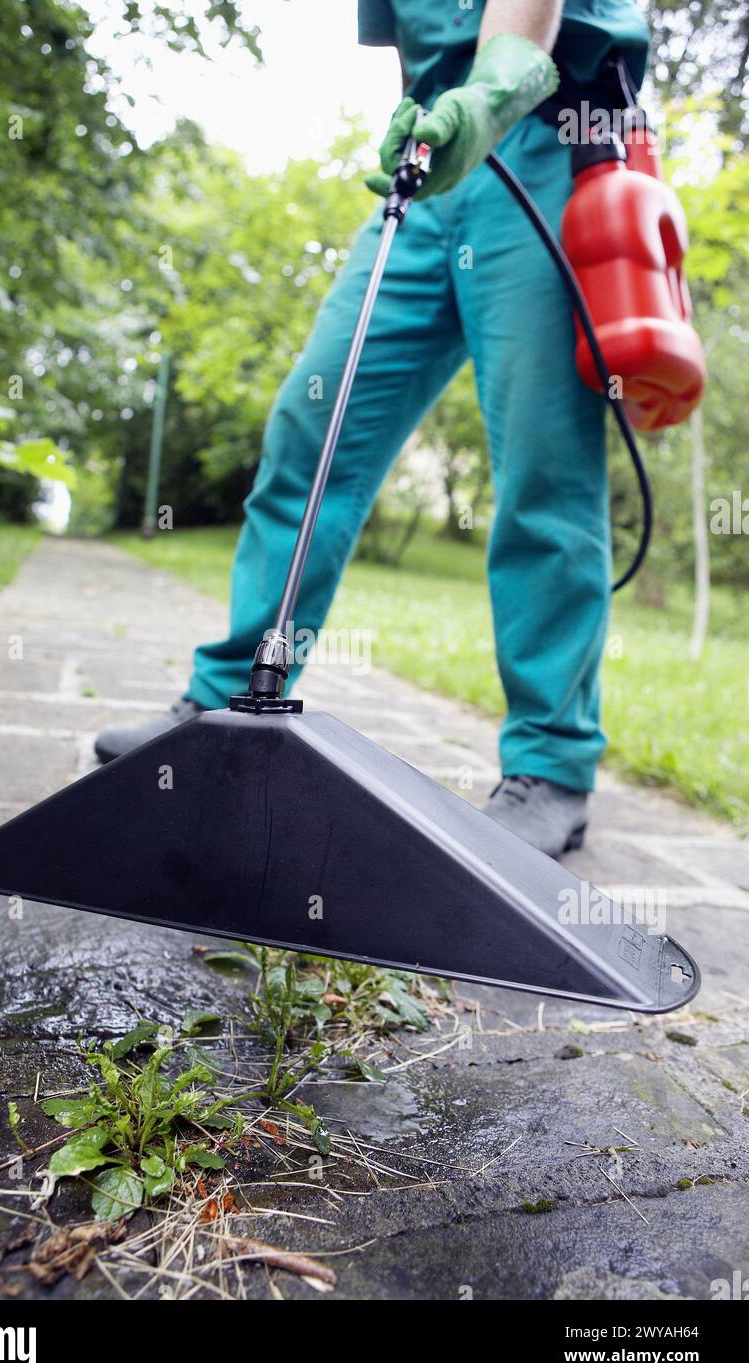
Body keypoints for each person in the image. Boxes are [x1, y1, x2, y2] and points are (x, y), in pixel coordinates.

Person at [96, 0, 650, 858]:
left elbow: (524, 26)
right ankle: (227, 704)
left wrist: (491, 91)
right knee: (311, 427)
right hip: (435, 179)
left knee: (544, 466)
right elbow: (415, 61)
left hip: (552, 143)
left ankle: (552, 766)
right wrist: (424, 126)